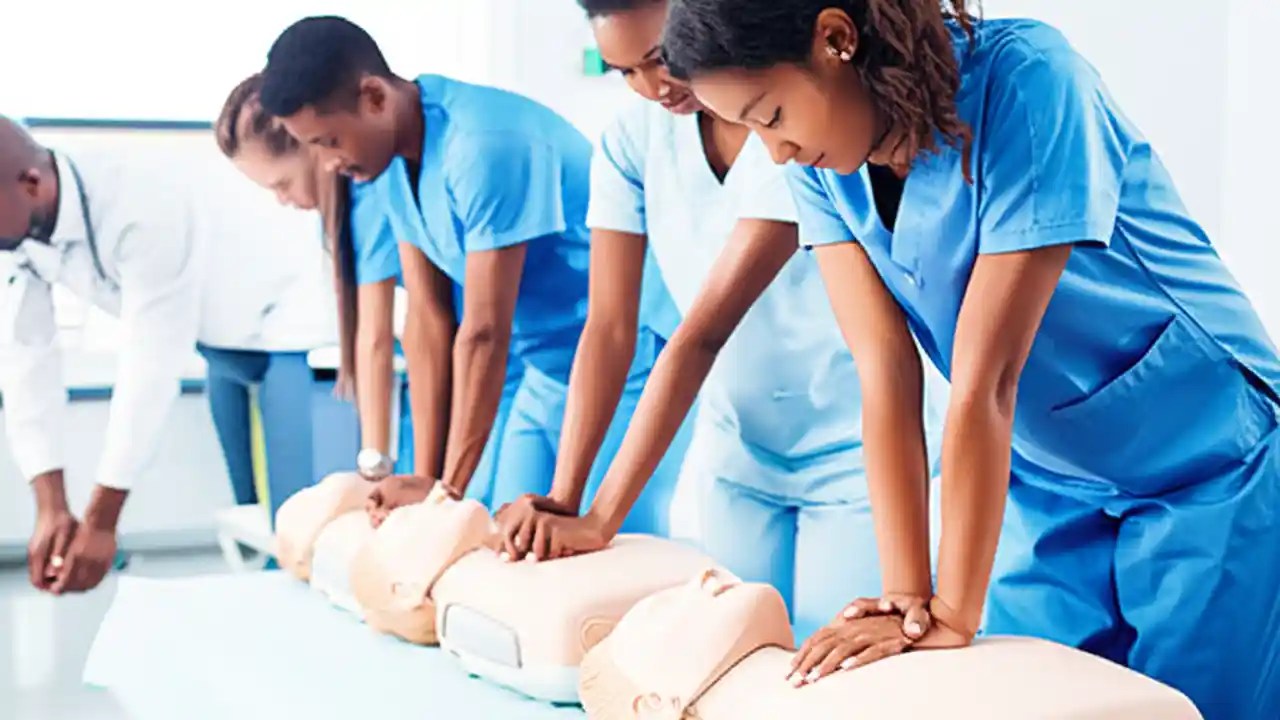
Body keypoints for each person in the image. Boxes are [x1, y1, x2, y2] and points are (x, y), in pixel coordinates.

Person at [657, 1, 1280, 718]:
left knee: (1190, 702)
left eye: (769, 116)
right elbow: (885, 370)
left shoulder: (1029, 80)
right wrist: (907, 600)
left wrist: (952, 610)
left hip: (1202, 454)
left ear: (835, 39)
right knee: (1035, 700)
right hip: (1045, 470)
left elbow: (987, 379)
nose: (774, 151)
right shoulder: (822, 159)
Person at [492, 0, 943, 638]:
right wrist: (564, 499)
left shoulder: (790, 131)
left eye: (657, 59)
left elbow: (700, 335)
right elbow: (610, 328)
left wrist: (602, 517)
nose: (653, 89)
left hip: (852, 450)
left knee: (830, 665)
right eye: (625, 72)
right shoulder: (630, 140)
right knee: (723, 661)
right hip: (738, 450)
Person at [257, 16, 684, 528]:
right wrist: (427, 478)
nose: (327, 164)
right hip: (546, 375)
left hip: (630, 366)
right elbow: (429, 321)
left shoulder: (482, 143)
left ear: (374, 97)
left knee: (599, 550)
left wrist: (445, 491)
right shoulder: (389, 163)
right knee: (493, 539)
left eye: (328, 141)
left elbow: (483, 330)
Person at [216, 74, 523, 512]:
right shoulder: (353, 201)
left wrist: (374, 469)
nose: (283, 200)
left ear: (310, 145)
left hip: (488, 367)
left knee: (467, 512)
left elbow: (378, 337)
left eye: (282, 184)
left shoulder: (374, 190)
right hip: (451, 368)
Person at [0, 115, 202, 594]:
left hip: (267, 330)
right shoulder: (14, 229)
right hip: (192, 331)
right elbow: (25, 359)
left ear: (31, 184)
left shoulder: (140, 202)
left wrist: (102, 519)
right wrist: (50, 504)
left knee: (279, 518)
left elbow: (149, 362)